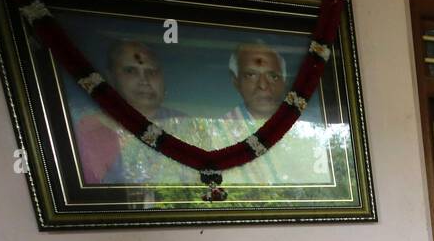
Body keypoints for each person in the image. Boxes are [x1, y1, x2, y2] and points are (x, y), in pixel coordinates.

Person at [75, 40, 197, 186]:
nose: (144, 80)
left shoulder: (187, 126)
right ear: (111, 78)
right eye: (131, 71)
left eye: (151, 72)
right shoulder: (87, 131)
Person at [214, 42, 330, 185]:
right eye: (251, 75)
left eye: (273, 76)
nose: (263, 85)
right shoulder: (218, 130)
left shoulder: (306, 129)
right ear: (236, 82)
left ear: (284, 81)